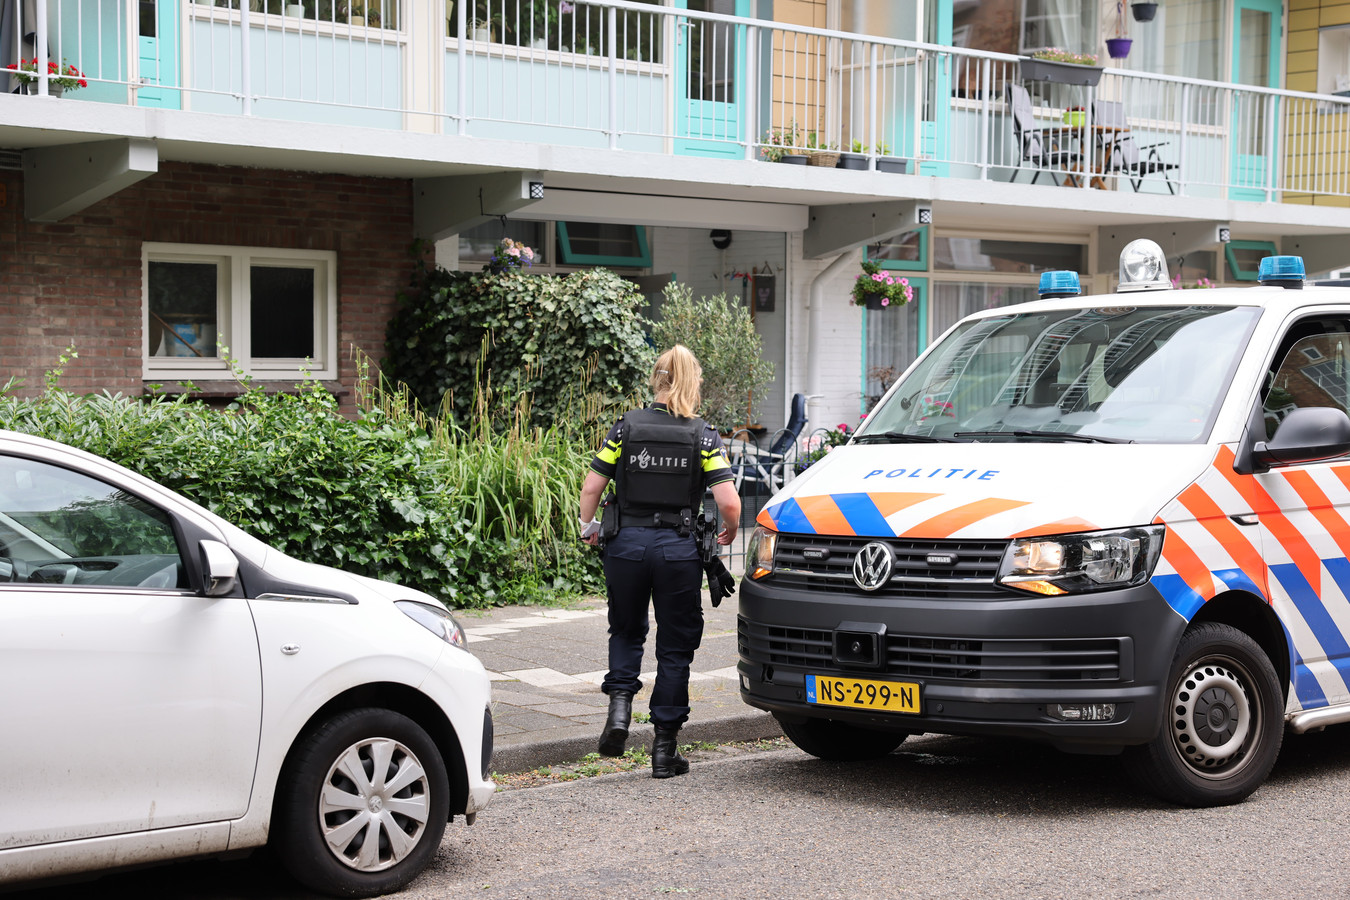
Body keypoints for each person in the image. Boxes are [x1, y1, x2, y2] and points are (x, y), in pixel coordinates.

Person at [578, 345, 741, 779]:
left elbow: (593, 485)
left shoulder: (626, 427)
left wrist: (587, 526)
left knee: (626, 629)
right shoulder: (702, 435)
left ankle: (618, 715)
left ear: (657, 379)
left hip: (626, 547)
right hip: (676, 551)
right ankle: (664, 750)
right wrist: (730, 530)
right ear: (692, 381)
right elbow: (728, 500)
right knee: (675, 645)